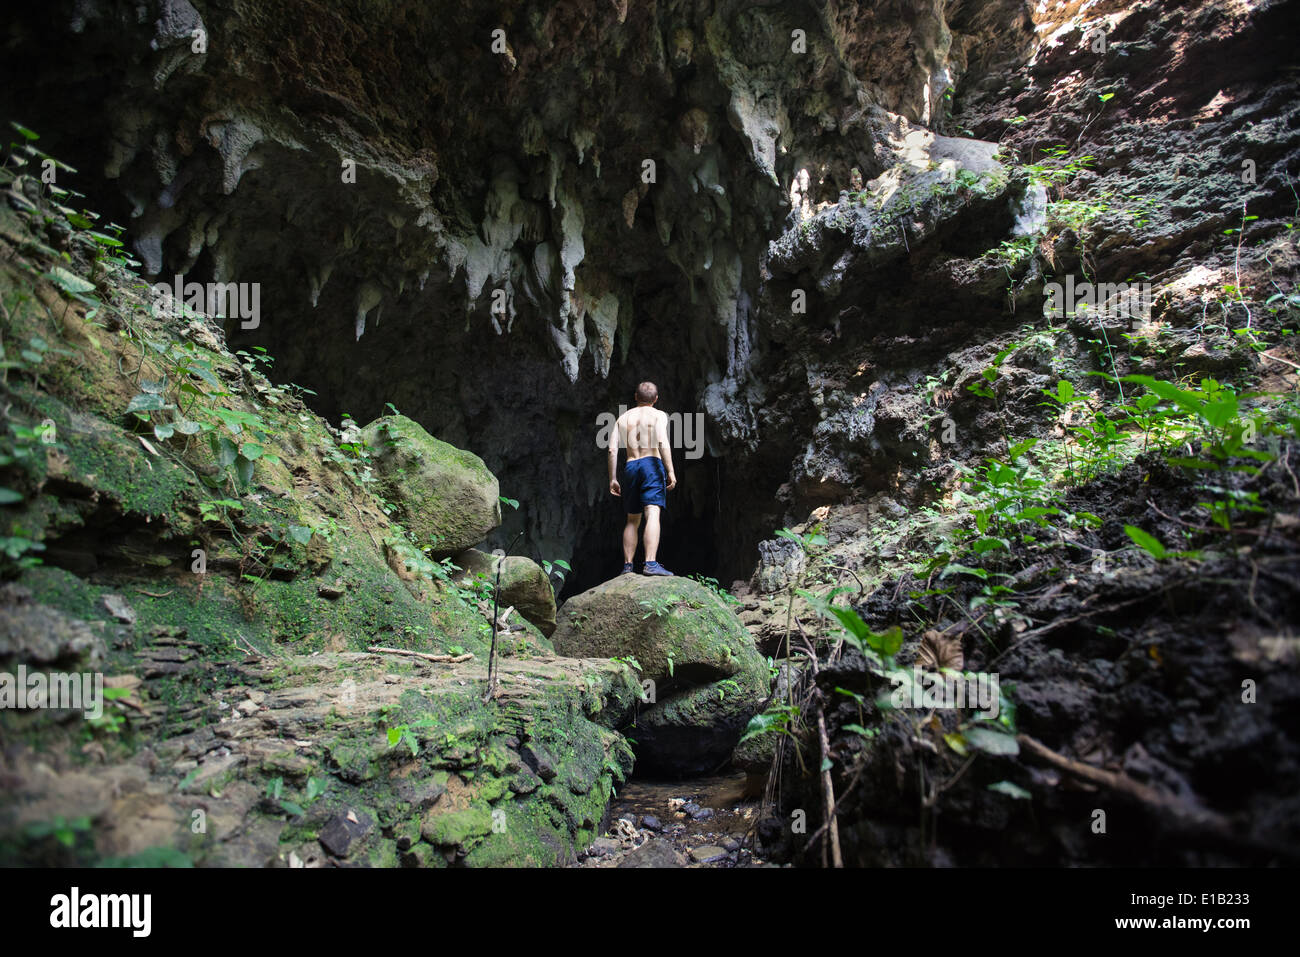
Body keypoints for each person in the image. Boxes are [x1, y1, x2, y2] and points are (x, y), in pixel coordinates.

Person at [607, 381, 677, 576]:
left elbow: (612, 449)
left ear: (635, 397)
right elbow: (662, 441)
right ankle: (650, 563)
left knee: (632, 519)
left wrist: (613, 477)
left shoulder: (623, 418)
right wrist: (670, 471)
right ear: (655, 399)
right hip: (651, 465)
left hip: (630, 466)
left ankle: (628, 566)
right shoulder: (658, 415)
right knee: (652, 512)